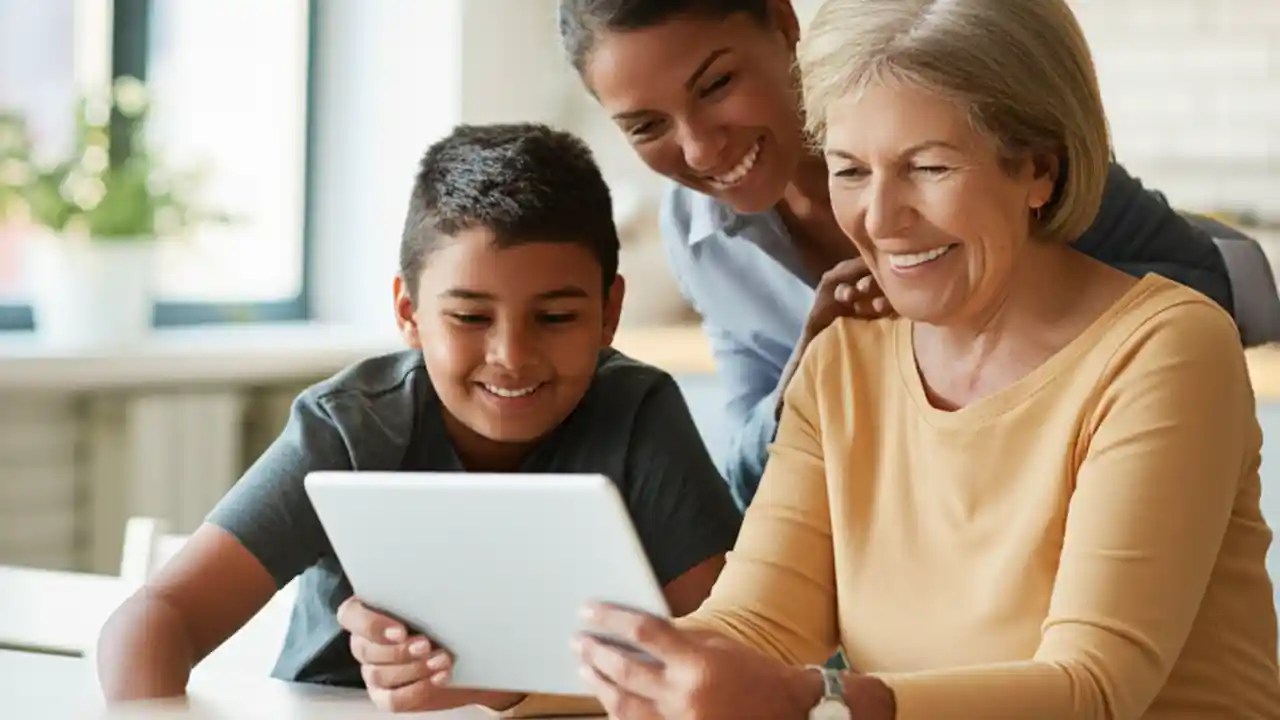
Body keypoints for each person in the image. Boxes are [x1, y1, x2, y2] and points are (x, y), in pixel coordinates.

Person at [567, 0, 1280, 717]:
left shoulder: (1166, 349)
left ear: (1038, 168)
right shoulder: (844, 357)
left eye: (928, 167)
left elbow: (1092, 688)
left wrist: (818, 702)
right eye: (848, 171)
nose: (879, 220)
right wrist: (535, 670)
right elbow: (754, 624)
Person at [95, 123, 742, 714]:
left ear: (608, 312)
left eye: (555, 318)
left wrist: (512, 685)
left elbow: (728, 653)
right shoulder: (350, 427)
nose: (511, 357)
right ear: (409, 312)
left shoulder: (638, 415)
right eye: (468, 317)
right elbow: (156, 618)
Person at [557, 0, 1250, 508]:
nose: (702, 148)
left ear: (782, 24)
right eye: (647, 126)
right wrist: (814, 363)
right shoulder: (698, 231)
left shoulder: (941, 99)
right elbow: (747, 478)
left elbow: (1212, 291)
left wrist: (961, 320)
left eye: (716, 87)